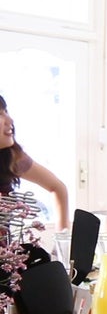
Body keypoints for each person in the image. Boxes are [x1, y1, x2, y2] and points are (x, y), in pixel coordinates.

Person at [0, 93, 69, 231]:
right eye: (0, 115)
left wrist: (62, 241)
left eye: (6, 111)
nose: (10, 120)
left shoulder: (10, 157)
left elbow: (58, 187)